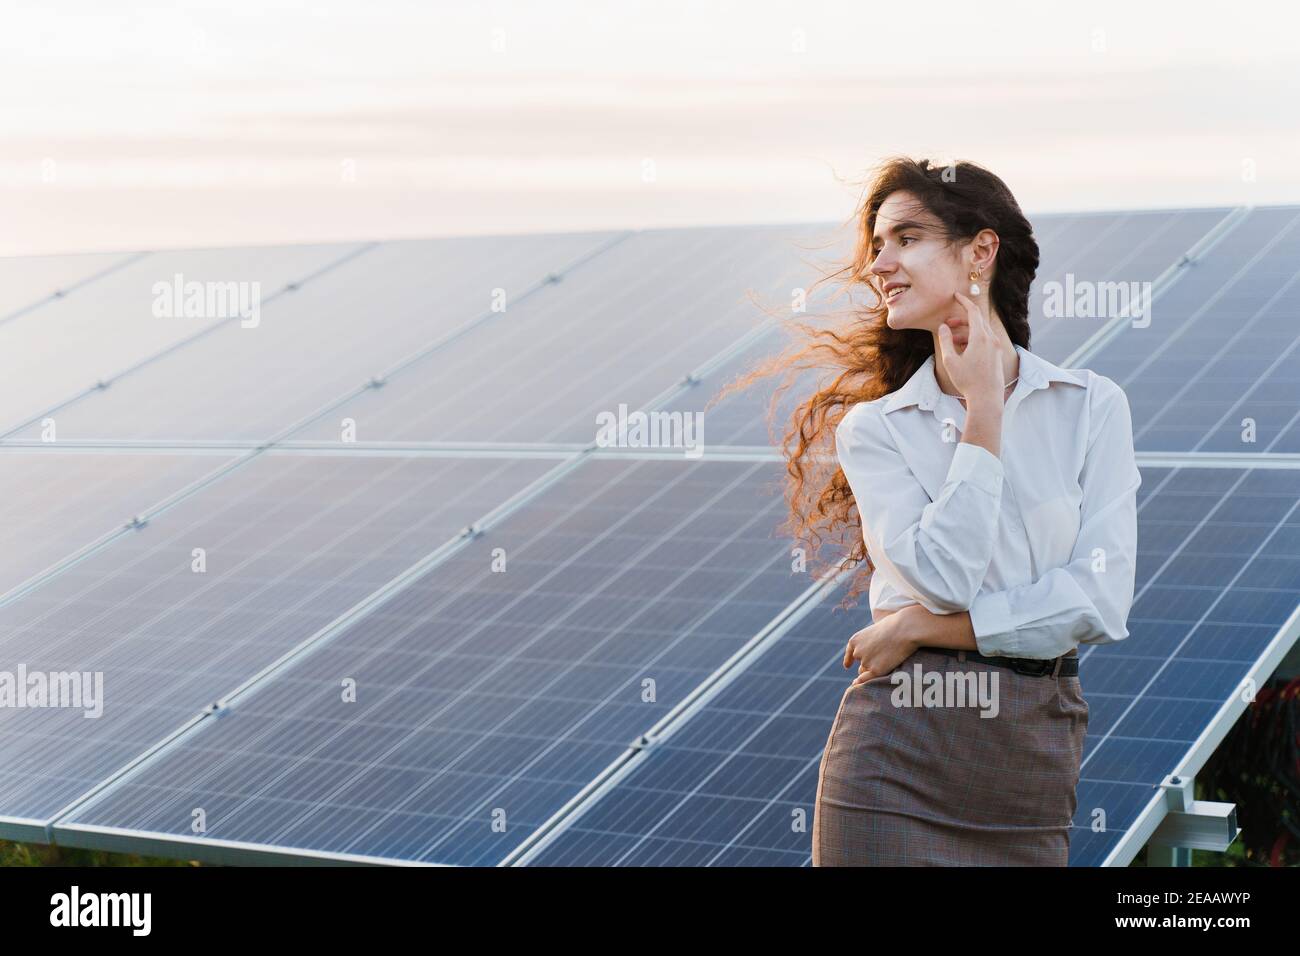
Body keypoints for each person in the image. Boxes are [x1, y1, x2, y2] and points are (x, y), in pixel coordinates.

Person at [716, 156, 1141, 864]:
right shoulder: (876, 430)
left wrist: (922, 627)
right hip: (895, 753)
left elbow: (1098, 602)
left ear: (981, 250)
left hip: (1031, 765)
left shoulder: (1092, 407)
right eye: (876, 246)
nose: (879, 264)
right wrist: (982, 411)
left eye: (905, 239)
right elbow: (944, 573)